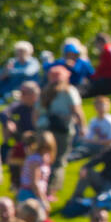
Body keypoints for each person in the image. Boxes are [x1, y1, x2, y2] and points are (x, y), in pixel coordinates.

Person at [38, 65, 85, 193]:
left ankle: (40, 187)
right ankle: (52, 190)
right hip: (63, 130)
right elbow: (77, 110)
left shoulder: (44, 91)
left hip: (44, 130)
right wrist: (82, 127)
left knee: (43, 160)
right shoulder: (69, 91)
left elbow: (36, 114)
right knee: (59, 160)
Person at [0, 41, 42, 106]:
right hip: (13, 83)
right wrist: (6, 71)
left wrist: (10, 72)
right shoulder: (13, 62)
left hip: (27, 84)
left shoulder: (33, 62)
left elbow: (27, 72)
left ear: (28, 52)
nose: (20, 54)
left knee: (16, 80)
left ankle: (3, 99)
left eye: (22, 52)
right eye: (18, 52)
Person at [16, 131, 55, 212]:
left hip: (36, 192)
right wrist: (43, 200)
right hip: (30, 193)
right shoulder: (35, 160)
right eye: (44, 147)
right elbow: (34, 182)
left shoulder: (43, 157)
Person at [82, 32, 111, 98]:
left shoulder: (108, 50)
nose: (96, 46)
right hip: (107, 80)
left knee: (88, 89)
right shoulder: (109, 50)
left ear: (100, 42)